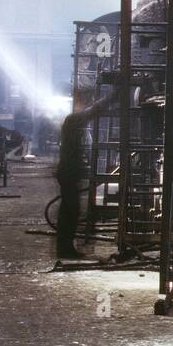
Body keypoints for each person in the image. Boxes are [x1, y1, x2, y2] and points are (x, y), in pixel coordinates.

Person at [55, 90, 117, 259]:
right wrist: (112, 96)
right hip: (68, 172)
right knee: (71, 210)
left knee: (69, 210)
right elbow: (92, 112)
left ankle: (65, 248)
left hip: (69, 171)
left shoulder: (73, 120)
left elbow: (91, 112)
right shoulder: (72, 119)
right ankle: (65, 249)